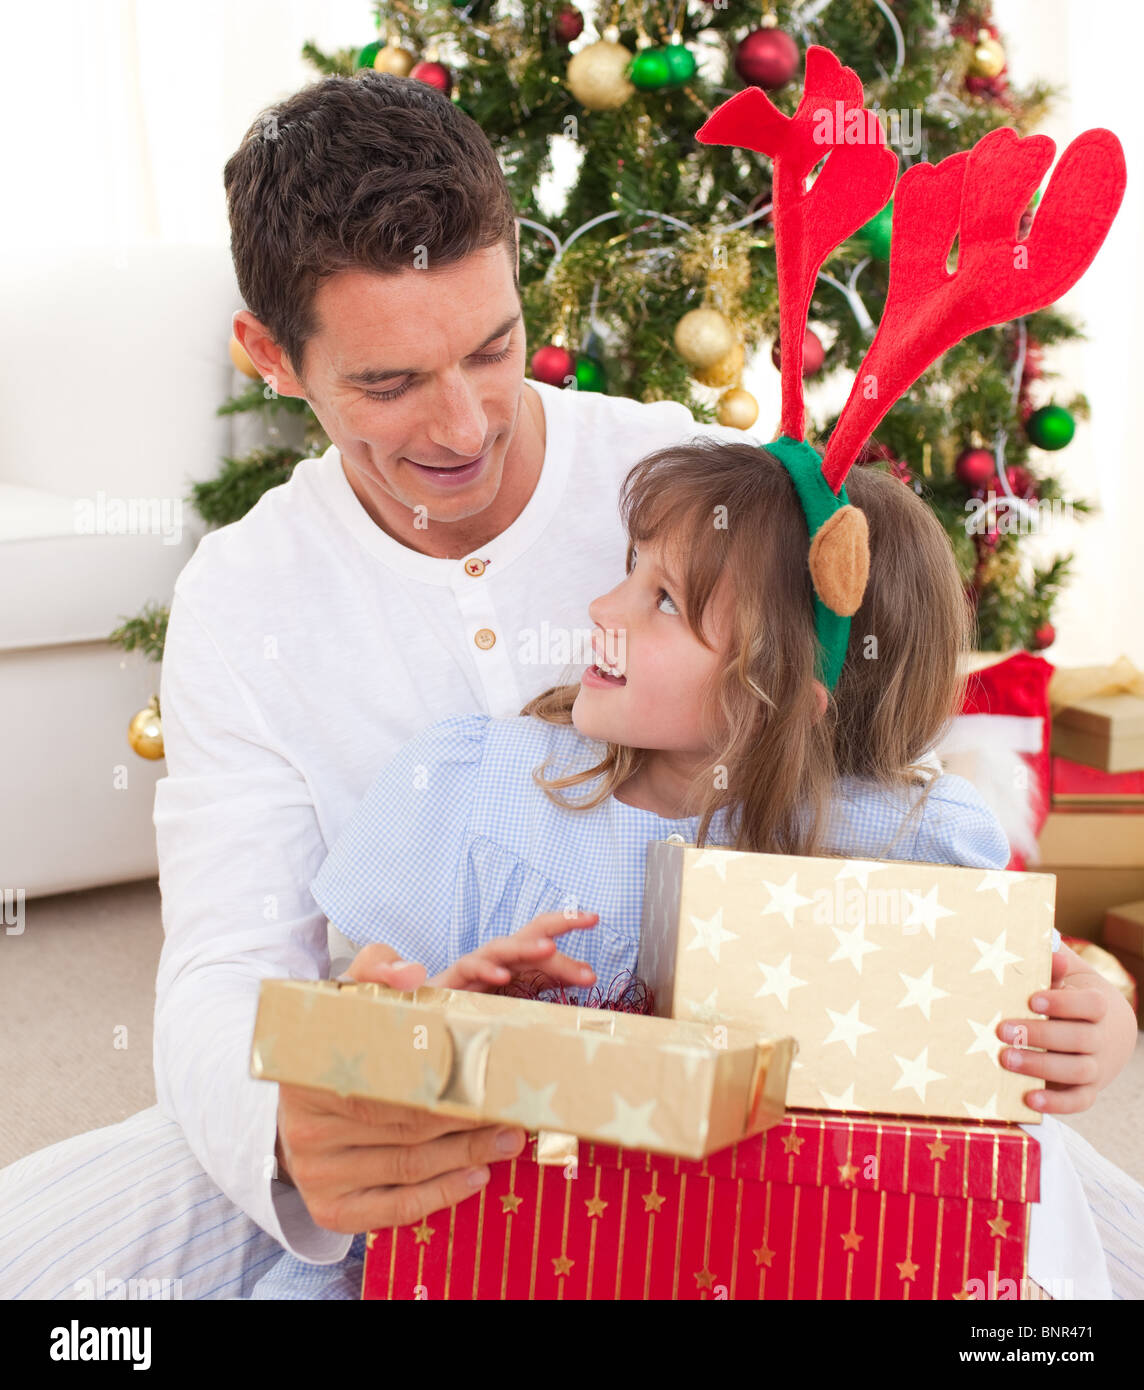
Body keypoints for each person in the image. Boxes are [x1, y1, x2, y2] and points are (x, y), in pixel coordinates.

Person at [0, 72, 779, 1300]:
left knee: (1065, 1239)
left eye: (492, 348)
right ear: (270, 357)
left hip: (723, 1109)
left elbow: (875, 788)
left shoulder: (687, 477)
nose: (464, 427)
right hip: (410, 1123)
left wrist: (1047, 1008)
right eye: (388, 383)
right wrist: (287, 1131)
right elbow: (225, 962)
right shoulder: (241, 595)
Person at [247, 437, 1141, 1300]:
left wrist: (1097, 1032)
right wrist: (440, 1005)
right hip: (525, 1248)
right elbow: (364, 1030)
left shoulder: (897, 841)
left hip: (784, 1251)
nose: (604, 608)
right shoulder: (491, 790)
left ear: (778, 696)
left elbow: (1028, 1003)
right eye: (630, 568)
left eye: (665, 600)